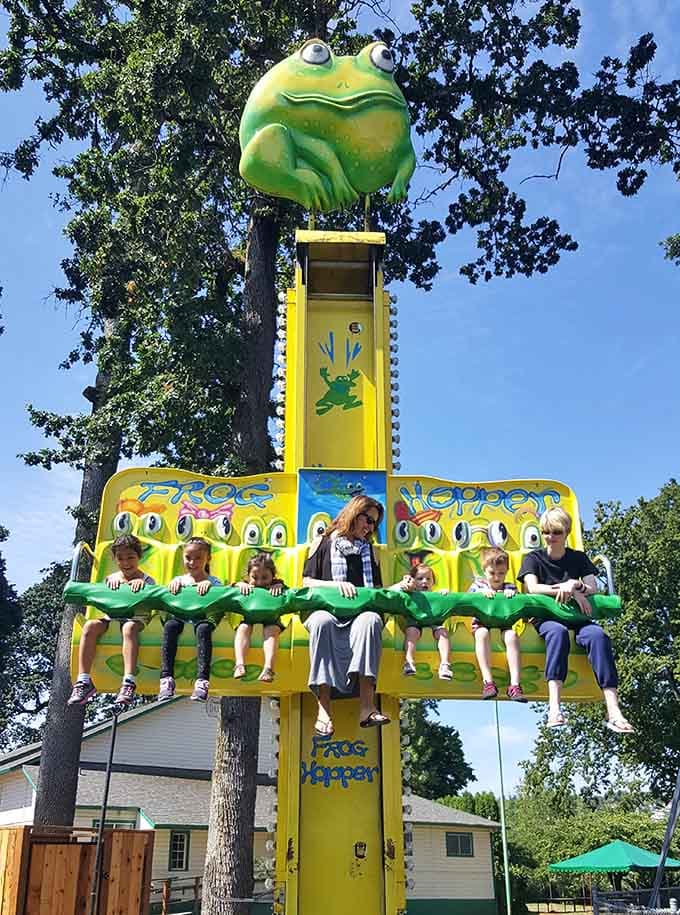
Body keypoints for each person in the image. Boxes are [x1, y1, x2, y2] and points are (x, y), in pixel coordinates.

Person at [518, 506, 634, 733]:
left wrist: (575, 585)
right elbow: (532, 587)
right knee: (557, 633)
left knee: (598, 636)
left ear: (566, 533)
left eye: (556, 533)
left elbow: (592, 587)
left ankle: (613, 710)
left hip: (576, 617)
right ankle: (554, 708)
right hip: (547, 617)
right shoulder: (533, 559)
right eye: (546, 533)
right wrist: (563, 588)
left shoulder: (578, 558)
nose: (551, 538)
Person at [302, 495, 389, 736]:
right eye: (368, 520)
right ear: (354, 513)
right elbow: (306, 581)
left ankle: (367, 707)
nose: (370, 527)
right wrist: (335, 587)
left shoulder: (370, 551)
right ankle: (323, 708)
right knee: (322, 622)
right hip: (327, 610)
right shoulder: (322, 542)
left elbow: (377, 590)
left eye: (374, 523)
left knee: (371, 620)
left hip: (360, 613)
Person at [68, 534, 155, 707]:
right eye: (120, 559)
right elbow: (103, 602)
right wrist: (107, 590)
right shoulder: (111, 579)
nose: (126, 563)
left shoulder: (146, 580)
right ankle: (84, 681)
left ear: (139, 557)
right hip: (112, 617)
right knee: (90, 626)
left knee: (128, 628)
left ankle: (128, 681)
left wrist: (142, 589)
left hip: (136, 618)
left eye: (130, 558)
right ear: (115, 559)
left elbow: (153, 600)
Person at [159, 537, 221, 703]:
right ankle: (166, 679)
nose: (192, 562)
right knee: (171, 626)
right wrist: (172, 586)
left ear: (208, 558)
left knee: (203, 629)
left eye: (198, 558)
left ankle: (202, 681)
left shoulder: (213, 582)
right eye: (188, 558)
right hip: (181, 616)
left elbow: (222, 597)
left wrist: (210, 587)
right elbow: (168, 596)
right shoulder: (179, 580)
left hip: (202, 618)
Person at [468, 546, 526, 702]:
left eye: (501, 573)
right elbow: (468, 598)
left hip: (503, 624)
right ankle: (488, 682)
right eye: (492, 573)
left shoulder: (510, 587)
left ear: (506, 571)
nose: (496, 577)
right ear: (484, 570)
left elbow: (519, 602)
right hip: (481, 623)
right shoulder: (478, 586)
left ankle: (514, 684)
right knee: (482, 634)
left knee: (512, 636)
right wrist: (480, 595)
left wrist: (511, 596)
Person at [233, 552, 287, 683]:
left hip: (271, 620)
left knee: (271, 631)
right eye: (255, 577)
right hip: (249, 619)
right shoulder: (246, 585)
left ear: (273, 576)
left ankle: (269, 668)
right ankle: (239, 664)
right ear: (248, 576)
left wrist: (280, 587)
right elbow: (231, 588)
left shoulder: (277, 585)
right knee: (243, 628)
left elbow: (287, 592)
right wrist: (239, 585)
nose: (259, 582)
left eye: (265, 578)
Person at [394, 563, 452, 681]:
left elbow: (446, 598)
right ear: (413, 581)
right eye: (420, 579)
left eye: (428, 579)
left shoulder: (436, 594)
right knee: (411, 632)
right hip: (415, 622)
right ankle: (409, 661)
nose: (424, 581)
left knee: (443, 632)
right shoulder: (410, 594)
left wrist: (445, 593)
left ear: (433, 582)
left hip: (433, 622)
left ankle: (445, 663)